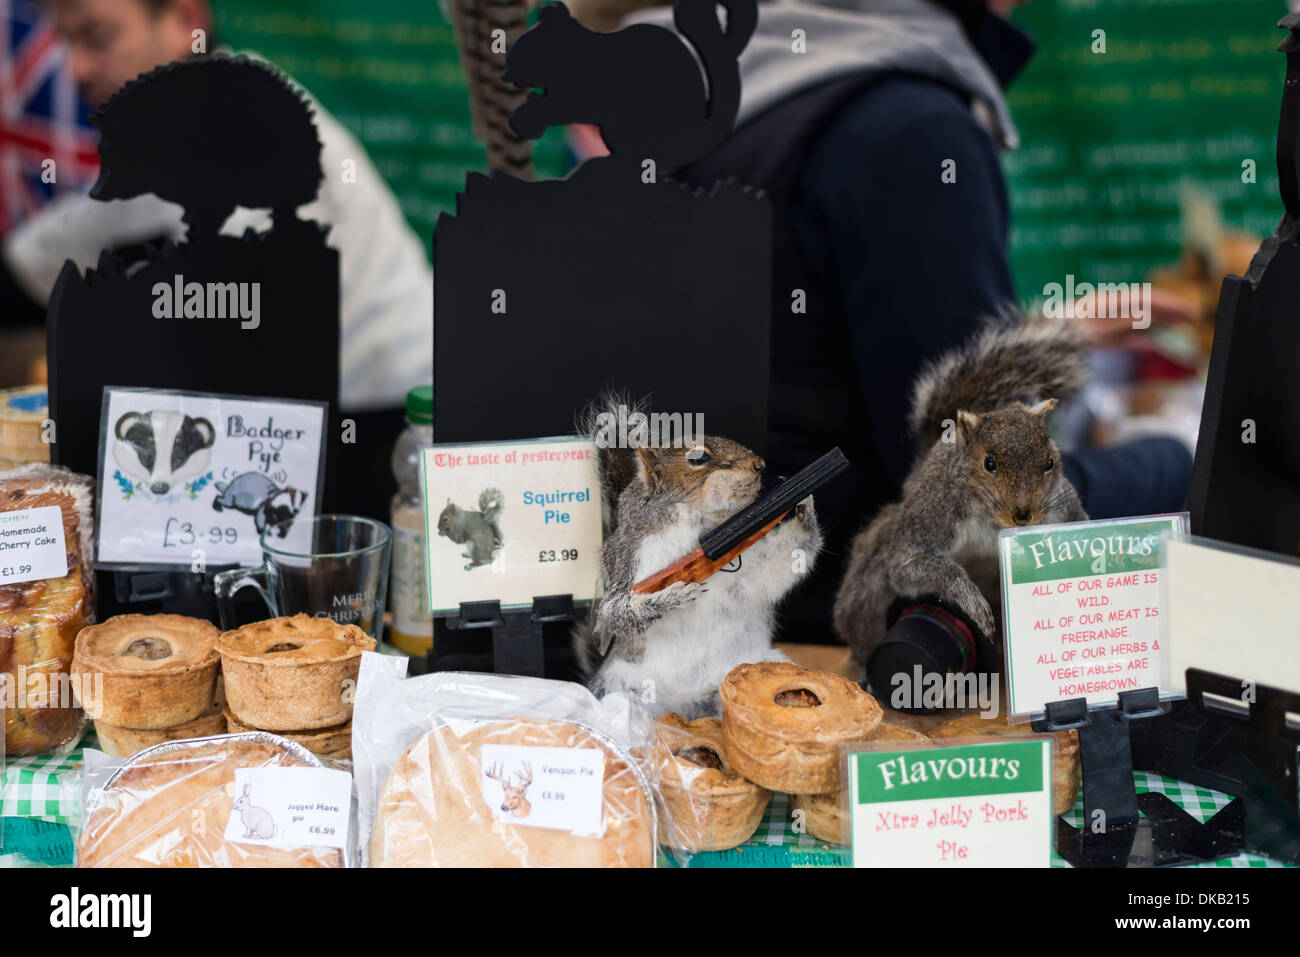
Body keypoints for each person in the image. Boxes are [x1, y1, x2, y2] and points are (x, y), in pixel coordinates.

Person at [605, 0, 1196, 644]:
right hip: (842, 668)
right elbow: (987, 511)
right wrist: (1179, 459)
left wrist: (1031, 341)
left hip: (665, 655)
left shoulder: (694, 109)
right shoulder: (906, 131)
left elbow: (801, 358)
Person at [1, 0, 433, 517]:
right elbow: (54, 250)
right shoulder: (165, 135)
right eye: (64, 43)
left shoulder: (247, 122)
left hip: (380, 427)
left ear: (185, 22)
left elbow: (232, 343)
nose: (76, 69)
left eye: (97, 38)